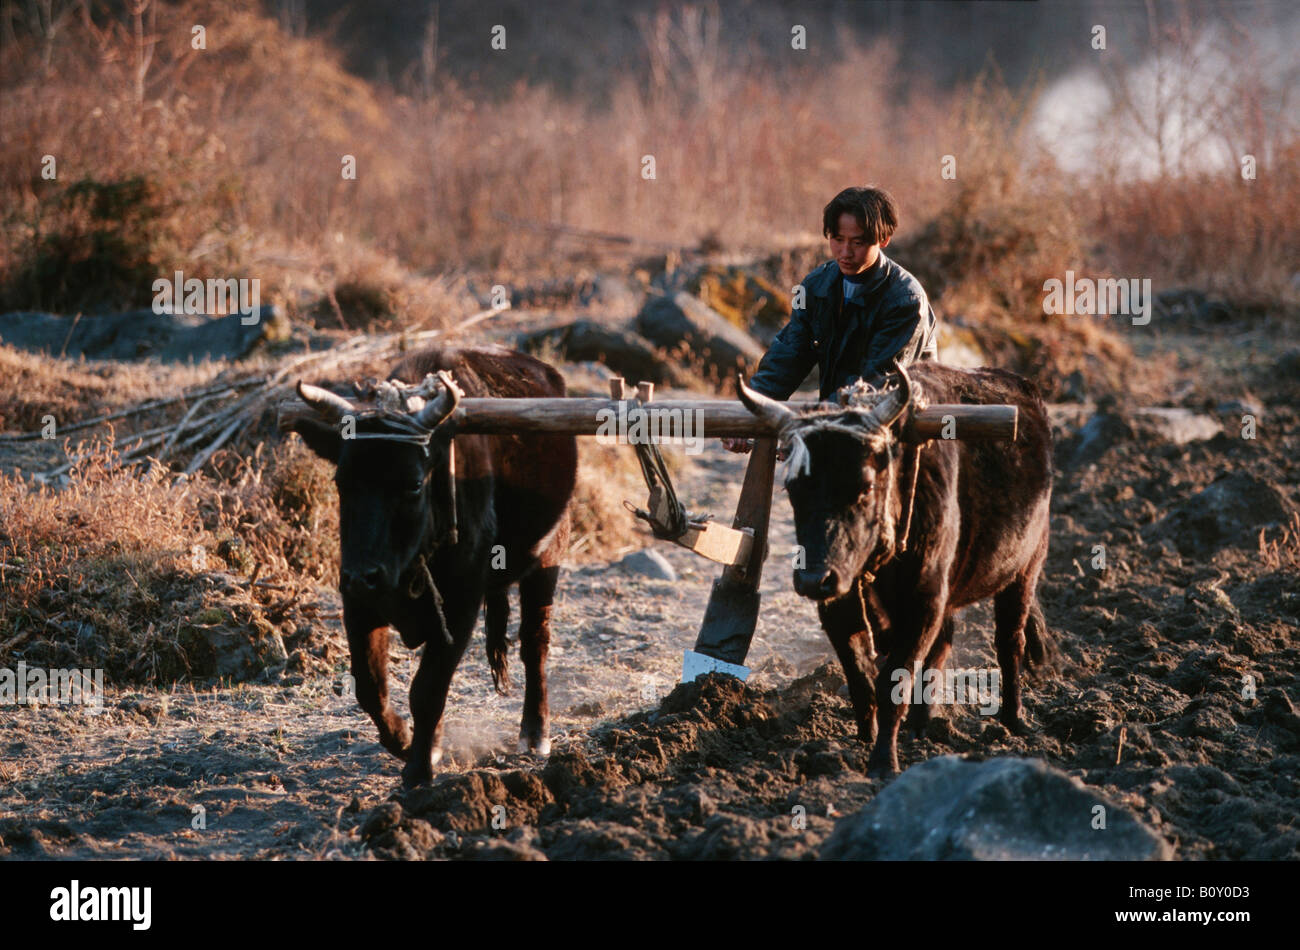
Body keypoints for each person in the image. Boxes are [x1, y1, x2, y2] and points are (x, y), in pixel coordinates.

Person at [722, 186, 938, 453]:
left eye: (857, 242)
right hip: (835, 421)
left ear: (884, 240)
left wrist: (811, 425)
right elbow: (789, 353)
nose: (845, 252)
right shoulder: (815, 286)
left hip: (892, 430)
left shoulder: (905, 300)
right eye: (837, 239)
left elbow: (878, 385)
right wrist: (749, 411)